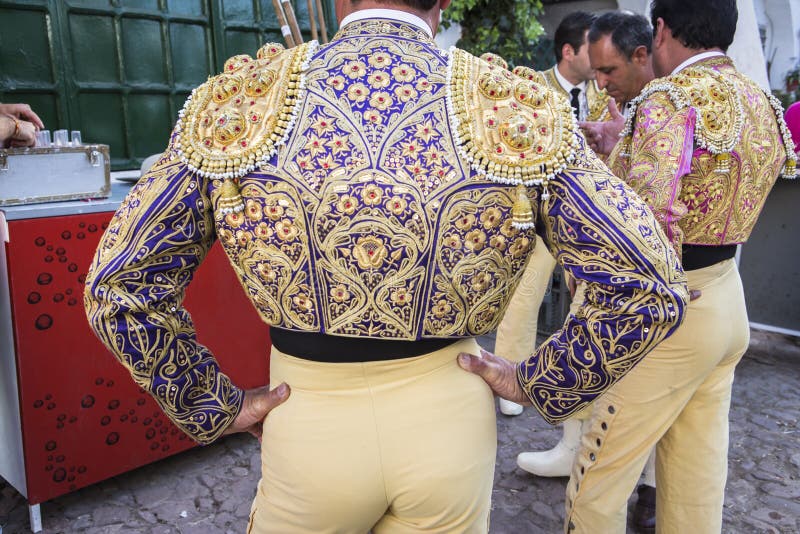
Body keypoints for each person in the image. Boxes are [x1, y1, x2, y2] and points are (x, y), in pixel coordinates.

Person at [84, 0, 688, 531]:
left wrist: (212, 404)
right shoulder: (512, 106)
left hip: (307, 416)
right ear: (444, 3)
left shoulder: (240, 98)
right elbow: (651, 285)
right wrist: (537, 381)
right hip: (449, 414)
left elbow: (118, 287)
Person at [461, 1, 795, 532]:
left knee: (599, 480)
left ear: (660, 31)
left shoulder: (669, 97)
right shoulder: (760, 99)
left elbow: (646, 218)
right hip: (727, 298)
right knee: (696, 472)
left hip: (667, 313)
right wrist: (624, 147)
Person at [516, 11, 660, 532]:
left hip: (638, 275)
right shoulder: (626, 100)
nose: (601, 81)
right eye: (596, 69)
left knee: (626, 408)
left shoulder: (665, 107)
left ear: (649, 48)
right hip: (605, 258)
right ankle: (576, 447)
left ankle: (639, 488)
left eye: (609, 70)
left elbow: (651, 205)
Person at [493, 11, 612, 417]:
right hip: (539, 210)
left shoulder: (605, 92)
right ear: (568, 51)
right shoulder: (528, 87)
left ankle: (578, 393)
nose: (598, 57)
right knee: (525, 297)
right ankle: (510, 378)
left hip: (588, 214)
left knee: (589, 302)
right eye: (590, 46)